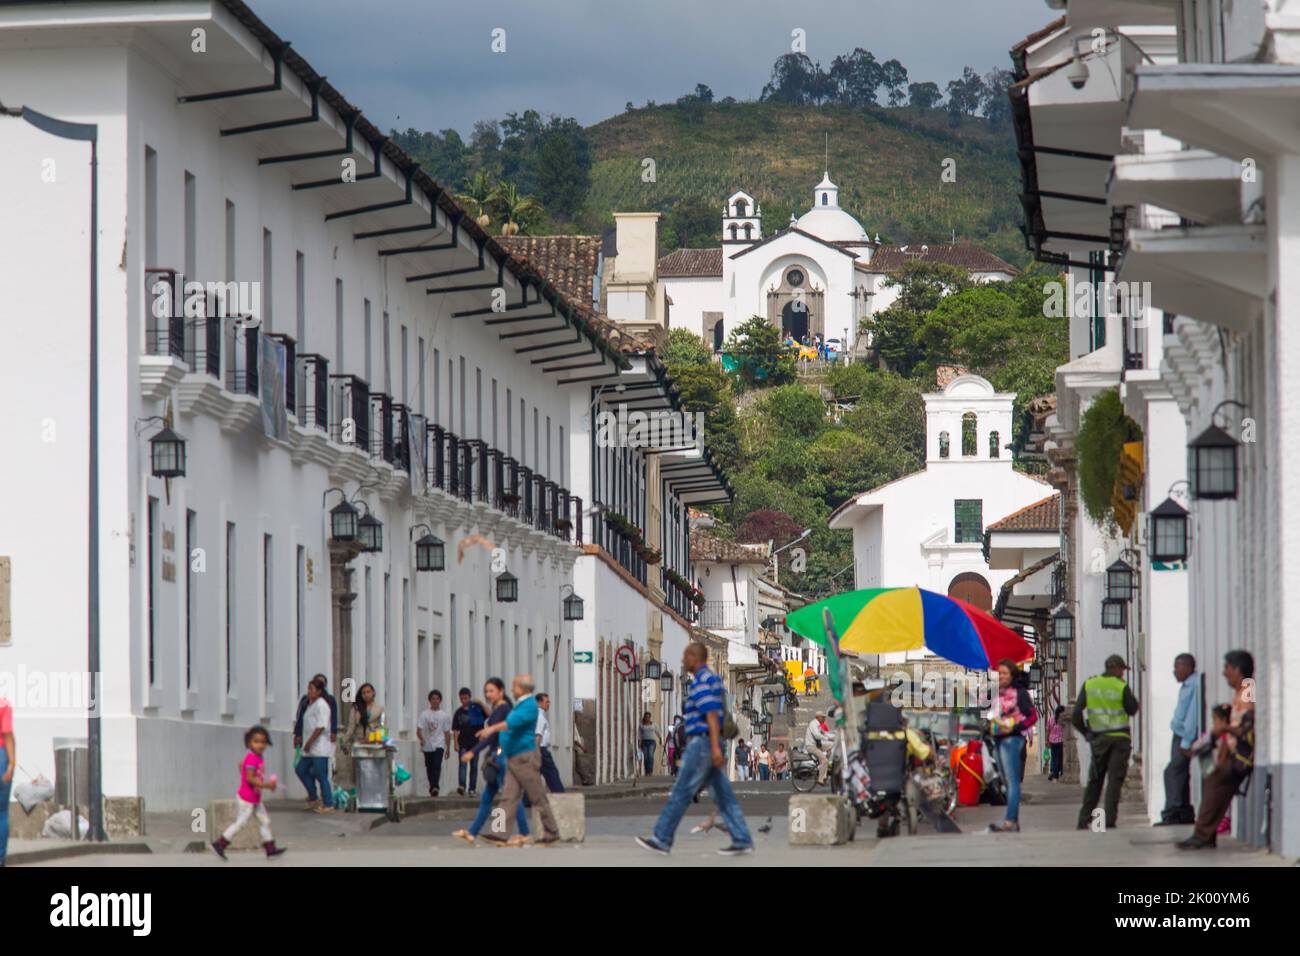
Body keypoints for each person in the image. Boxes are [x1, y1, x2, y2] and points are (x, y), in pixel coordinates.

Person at [637, 642, 754, 856]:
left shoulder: (700, 681)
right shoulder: (713, 679)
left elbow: (710, 714)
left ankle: (662, 838)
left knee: (682, 790)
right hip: (711, 743)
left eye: (685, 656)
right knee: (723, 794)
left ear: (694, 657)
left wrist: (714, 747)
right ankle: (742, 838)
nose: (683, 660)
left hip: (702, 743)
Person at [1180, 651, 1255, 850]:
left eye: (1227, 668)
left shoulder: (1247, 690)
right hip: (1233, 754)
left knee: (1214, 781)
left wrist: (1224, 728)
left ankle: (1203, 834)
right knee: (1213, 784)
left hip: (1241, 757)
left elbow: (1248, 724)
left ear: (1238, 670)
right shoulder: (1239, 693)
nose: (1224, 673)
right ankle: (1205, 833)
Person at [451, 678, 528, 845]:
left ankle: (524, 832)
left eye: (491, 691)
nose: (488, 694)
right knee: (487, 798)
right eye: (486, 691)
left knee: (512, 797)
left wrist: (473, 751)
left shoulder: (503, 709)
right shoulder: (498, 709)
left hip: (502, 757)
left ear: (501, 691)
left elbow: (493, 736)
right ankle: (472, 832)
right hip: (496, 757)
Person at [486, 675, 560, 847]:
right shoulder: (521, 704)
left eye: (514, 686)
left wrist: (491, 729)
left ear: (523, 689)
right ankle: (499, 833)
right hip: (514, 756)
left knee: (537, 796)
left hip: (525, 757)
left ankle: (552, 831)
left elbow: (511, 723)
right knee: (508, 796)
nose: (511, 690)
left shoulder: (529, 706)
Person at [1073, 654, 1141, 830]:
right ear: (1114, 667)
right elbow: (1133, 709)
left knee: (1095, 779)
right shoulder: (1121, 686)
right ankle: (1108, 820)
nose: (1123, 674)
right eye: (1122, 670)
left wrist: (1086, 732)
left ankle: (1085, 818)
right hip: (1120, 739)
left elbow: (1075, 714)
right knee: (1114, 780)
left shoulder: (1090, 684)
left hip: (1099, 739)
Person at [213, 725, 286, 859]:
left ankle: (270, 848)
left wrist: (246, 772)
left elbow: (241, 765)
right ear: (249, 743)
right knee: (241, 822)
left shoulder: (257, 757)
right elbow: (251, 779)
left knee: (265, 821)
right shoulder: (252, 758)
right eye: (256, 741)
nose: (260, 745)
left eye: (263, 742)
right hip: (247, 798)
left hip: (255, 798)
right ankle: (221, 843)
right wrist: (267, 785)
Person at [987, 659, 1037, 833]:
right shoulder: (997, 693)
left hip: (1012, 740)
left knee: (1013, 781)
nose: (1001, 676)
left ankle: (1009, 821)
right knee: (1007, 782)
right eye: (999, 673)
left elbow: (1032, 716)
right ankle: (1012, 821)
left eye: (1005, 673)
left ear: (1012, 674)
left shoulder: (1020, 693)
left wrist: (1017, 727)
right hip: (998, 739)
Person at [1158, 653, 1200, 826]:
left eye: (1178, 667)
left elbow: (1192, 715)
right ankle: (1183, 811)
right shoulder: (1187, 685)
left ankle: (1173, 811)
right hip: (1179, 735)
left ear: (1189, 667)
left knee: (1172, 772)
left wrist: (1186, 741)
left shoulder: (1194, 685)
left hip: (1184, 736)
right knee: (1180, 773)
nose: (1175, 671)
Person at [295, 678, 335, 813]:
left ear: (319, 691)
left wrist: (310, 742)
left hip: (319, 747)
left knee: (320, 774)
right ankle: (313, 797)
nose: (309, 691)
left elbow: (321, 727)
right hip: (309, 747)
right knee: (300, 769)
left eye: (311, 689)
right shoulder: (310, 704)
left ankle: (328, 803)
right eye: (308, 688)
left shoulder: (321, 705)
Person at [452, 687, 488, 795]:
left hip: (475, 743)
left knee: (474, 766)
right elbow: (455, 730)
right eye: (462, 698)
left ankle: (472, 788)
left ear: (470, 698)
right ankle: (462, 786)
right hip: (463, 742)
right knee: (463, 764)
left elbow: (489, 714)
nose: (464, 701)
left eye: (466, 698)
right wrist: (456, 743)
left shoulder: (477, 710)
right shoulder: (458, 713)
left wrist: (481, 703)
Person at [417, 689, 453, 797]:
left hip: (439, 744)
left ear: (440, 701)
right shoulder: (424, 714)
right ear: (429, 700)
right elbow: (418, 730)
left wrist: (448, 748)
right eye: (433, 698)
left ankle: (435, 787)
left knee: (437, 764)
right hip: (427, 745)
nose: (435, 701)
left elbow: (447, 733)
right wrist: (422, 739)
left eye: (437, 698)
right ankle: (432, 786)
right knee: (429, 766)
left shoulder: (444, 716)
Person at [292, 673, 337, 750]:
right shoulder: (306, 700)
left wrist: (334, 731)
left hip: (322, 740)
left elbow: (333, 716)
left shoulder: (328, 700)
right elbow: (300, 717)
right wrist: (298, 733)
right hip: (307, 734)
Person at [535, 692, 565, 792]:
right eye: (546, 702)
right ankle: (560, 795)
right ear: (539, 703)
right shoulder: (540, 717)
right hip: (541, 750)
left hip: (538, 749)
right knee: (552, 773)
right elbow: (538, 735)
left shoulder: (536, 715)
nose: (548, 704)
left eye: (549, 702)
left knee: (534, 775)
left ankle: (527, 799)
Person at [0, 696, 13, 867]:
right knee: (1, 812)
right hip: (1, 757)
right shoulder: (3, 704)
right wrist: (12, 763)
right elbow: (8, 733)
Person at [805, 710, 834, 785]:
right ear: (818, 717)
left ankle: (824, 767)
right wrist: (827, 738)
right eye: (823, 717)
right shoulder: (813, 724)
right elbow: (817, 735)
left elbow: (825, 733)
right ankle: (820, 779)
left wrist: (834, 737)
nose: (824, 719)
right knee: (825, 761)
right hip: (811, 746)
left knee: (831, 745)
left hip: (816, 745)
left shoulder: (818, 725)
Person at [1046, 705, 1065, 781]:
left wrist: (1047, 740)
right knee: (1058, 758)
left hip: (1052, 741)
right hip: (1060, 742)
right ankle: (1055, 775)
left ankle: (1054, 772)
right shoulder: (1062, 720)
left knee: (1054, 757)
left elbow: (1048, 731)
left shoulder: (1051, 719)